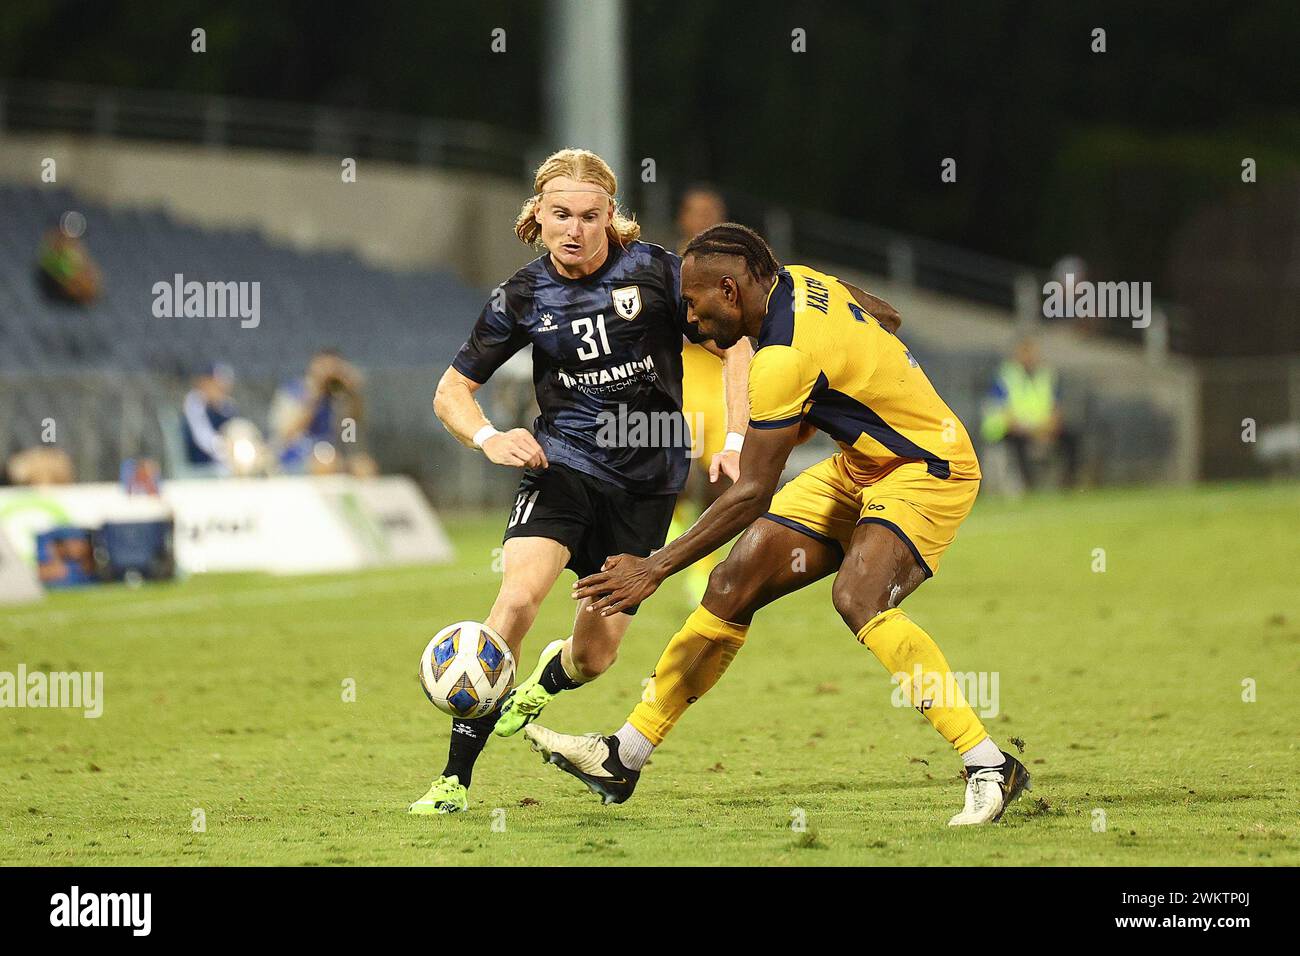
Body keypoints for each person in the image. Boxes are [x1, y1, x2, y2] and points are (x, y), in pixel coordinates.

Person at [524, 223, 1030, 827]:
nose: (689, 315)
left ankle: (988, 764)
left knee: (858, 597)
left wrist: (654, 567)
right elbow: (886, 315)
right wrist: (840, 391)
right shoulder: (804, 279)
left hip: (928, 468)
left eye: (694, 300)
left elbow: (751, 493)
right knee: (731, 584)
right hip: (862, 462)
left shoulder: (779, 360)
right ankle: (624, 756)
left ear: (731, 292)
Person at [409, 149, 752, 815]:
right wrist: (489, 437)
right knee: (517, 599)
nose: (574, 229)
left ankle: (545, 681)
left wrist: (736, 439)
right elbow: (451, 392)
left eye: (590, 217)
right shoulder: (521, 296)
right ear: (537, 215)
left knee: (595, 656)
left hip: (648, 484)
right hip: (562, 466)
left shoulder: (655, 273)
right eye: (560, 214)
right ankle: (453, 782)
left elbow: (735, 343)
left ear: (610, 218)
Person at [671, 185, 742, 599]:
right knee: (675, 472)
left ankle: (703, 566)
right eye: (695, 211)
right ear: (683, 219)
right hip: (685, 378)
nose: (703, 218)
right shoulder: (671, 265)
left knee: (722, 480)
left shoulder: (740, 265)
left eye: (711, 211)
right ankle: (678, 534)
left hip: (724, 378)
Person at [981, 337, 1079, 490]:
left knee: (1071, 437)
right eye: (1025, 353)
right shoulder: (1005, 376)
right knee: (1018, 443)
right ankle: (1027, 486)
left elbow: (1056, 408)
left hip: (1040, 428)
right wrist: (1030, 430)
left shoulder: (1046, 375)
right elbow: (1001, 411)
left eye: (1032, 353)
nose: (1029, 357)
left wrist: (1048, 428)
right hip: (1011, 430)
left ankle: (1069, 484)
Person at [269, 349, 376, 476]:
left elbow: (351, 430)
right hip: (295, 458)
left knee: (364, 466)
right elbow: (286, 434)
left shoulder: (338, 395)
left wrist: (352, 393)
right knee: (325, 463)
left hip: (332, 456)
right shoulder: (293, 392)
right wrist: (316, 395)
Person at [181, 362, 239, 474]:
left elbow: (235, 428)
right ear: (205, 382)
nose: (221, 388)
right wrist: (225, 448)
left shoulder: (225, 406)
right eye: (217, 384)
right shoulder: (194, 402)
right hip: (199, 459)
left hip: (222, 458)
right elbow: (202, 438)